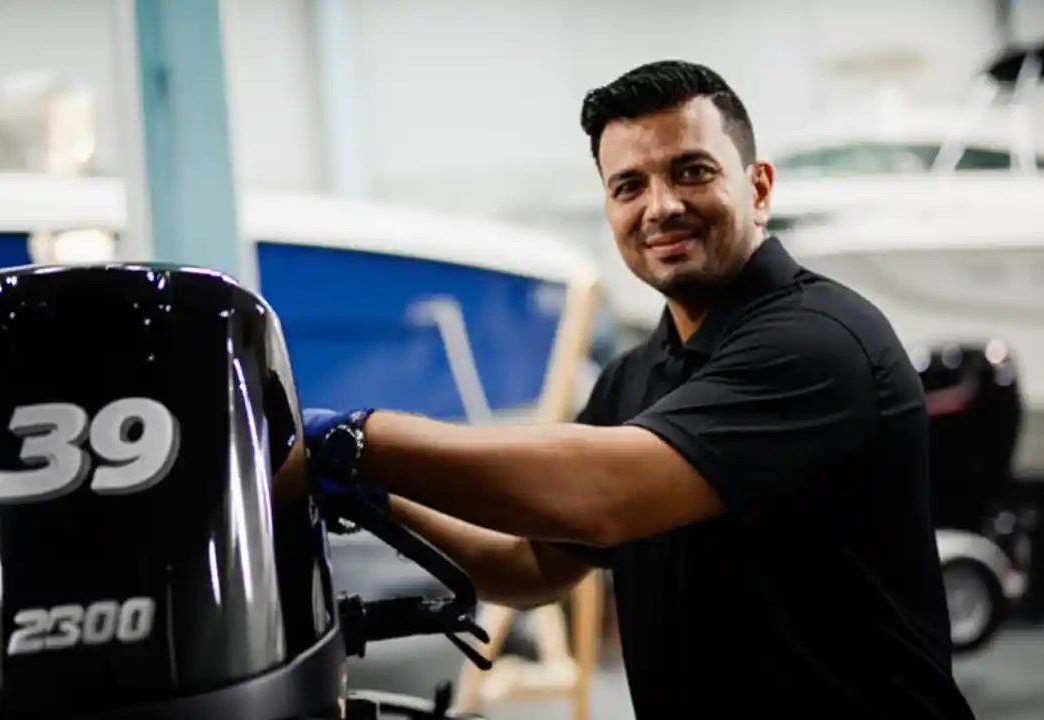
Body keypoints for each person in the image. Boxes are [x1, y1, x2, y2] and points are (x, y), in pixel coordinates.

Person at [303, 60, 976, 718]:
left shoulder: (819, 342)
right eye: (628, 185)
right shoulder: (636, 377)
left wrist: (359, 438)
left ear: (760, 188)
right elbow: (530, 566)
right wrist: (375, 495)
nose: (661, 206)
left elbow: (601, 497)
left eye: (692, 171)